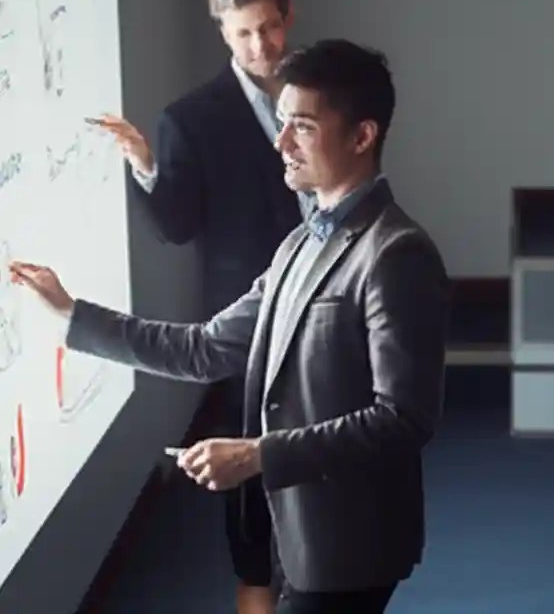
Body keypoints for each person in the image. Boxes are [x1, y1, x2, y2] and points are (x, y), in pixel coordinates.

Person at [14, 40, 447, 614]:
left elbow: (403, 420)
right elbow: (204, 348)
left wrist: (257, 454)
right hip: (295, 534)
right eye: (282, 122)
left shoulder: (396, 253)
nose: (281, 142)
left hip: (350, 545)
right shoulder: (299, 243)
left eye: (302, 127)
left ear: (362, 136)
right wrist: (73, 315)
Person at [91, 0, 308, 614]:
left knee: (325, 470)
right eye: (243, 33)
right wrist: (146, 166)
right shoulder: (190, 119)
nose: (260, 45)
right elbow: (177, 226)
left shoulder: (323, 90)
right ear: (223, 32)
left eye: (269, 27)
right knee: (251, 491)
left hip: (329, 304)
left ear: (288, 15)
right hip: (247, 323)